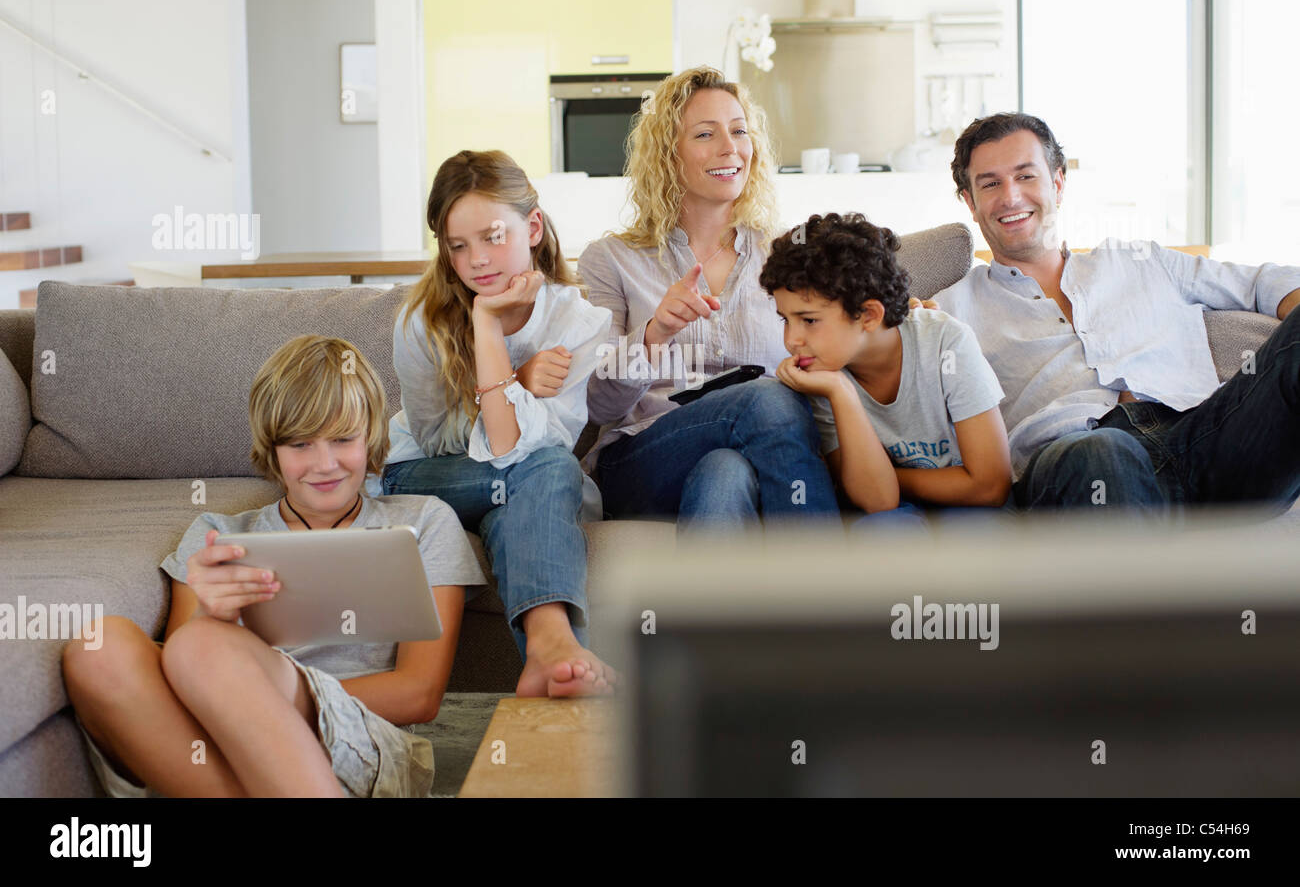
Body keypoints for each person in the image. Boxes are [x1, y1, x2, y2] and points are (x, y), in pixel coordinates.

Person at [61, 335, 485, 797]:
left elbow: (419, 694)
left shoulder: (423, 521)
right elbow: (182, 686)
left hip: (353, 741)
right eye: (300, 444)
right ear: (273, 449)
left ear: (371, 438)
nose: (324, 464)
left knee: (201, 648)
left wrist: (259, 699)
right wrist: (214, 618)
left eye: (343, 439)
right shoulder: (218, 534)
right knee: (98, 647)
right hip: (220, 746)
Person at [933, 111, 1300, 513]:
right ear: (970, 201)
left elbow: (1263, 282)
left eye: (1025, 176)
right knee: (1102, 452)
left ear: (1057, 183)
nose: (1011, 197)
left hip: (1207, 438)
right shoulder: (949, 310)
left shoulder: (1142, 261)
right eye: (990, 184)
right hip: (1077, 461)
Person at [378, 149, 616, 698]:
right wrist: (500, 355)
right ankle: (554, 642)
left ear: (532, 227)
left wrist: (505, 393)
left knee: (531, 481)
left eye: (492, 236)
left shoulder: (576, 322)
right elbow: (441, 440)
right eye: (458, 247)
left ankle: (545, 655)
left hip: (517, 480)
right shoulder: (421, 323)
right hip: (422, 473)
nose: (478, 261)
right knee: (548, 469)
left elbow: (520, 450)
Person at [576, 66, 839, 531]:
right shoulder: (612, 259)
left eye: (739, 131)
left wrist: (904, 319)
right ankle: (819, 584)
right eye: (705, 134)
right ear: (667, 154)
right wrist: (655, 334)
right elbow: (597, 406)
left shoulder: (787, 254)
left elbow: (840, 349)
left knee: (723, 472)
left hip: (749, 461)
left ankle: (711, 605)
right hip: (642, 458)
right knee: (764, 399)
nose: (730, 148)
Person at [759, 212, 1011, 531]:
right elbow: (878, 501)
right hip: (892, 515)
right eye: (785, 319)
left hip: (972, 508)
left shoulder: (946, 342)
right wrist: (842, 393)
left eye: (808, 320)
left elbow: (990, 486)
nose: (791, 340)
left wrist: (892, 478)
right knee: (882, 534)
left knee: (972, 536)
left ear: (868, 315)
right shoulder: (821, 376)